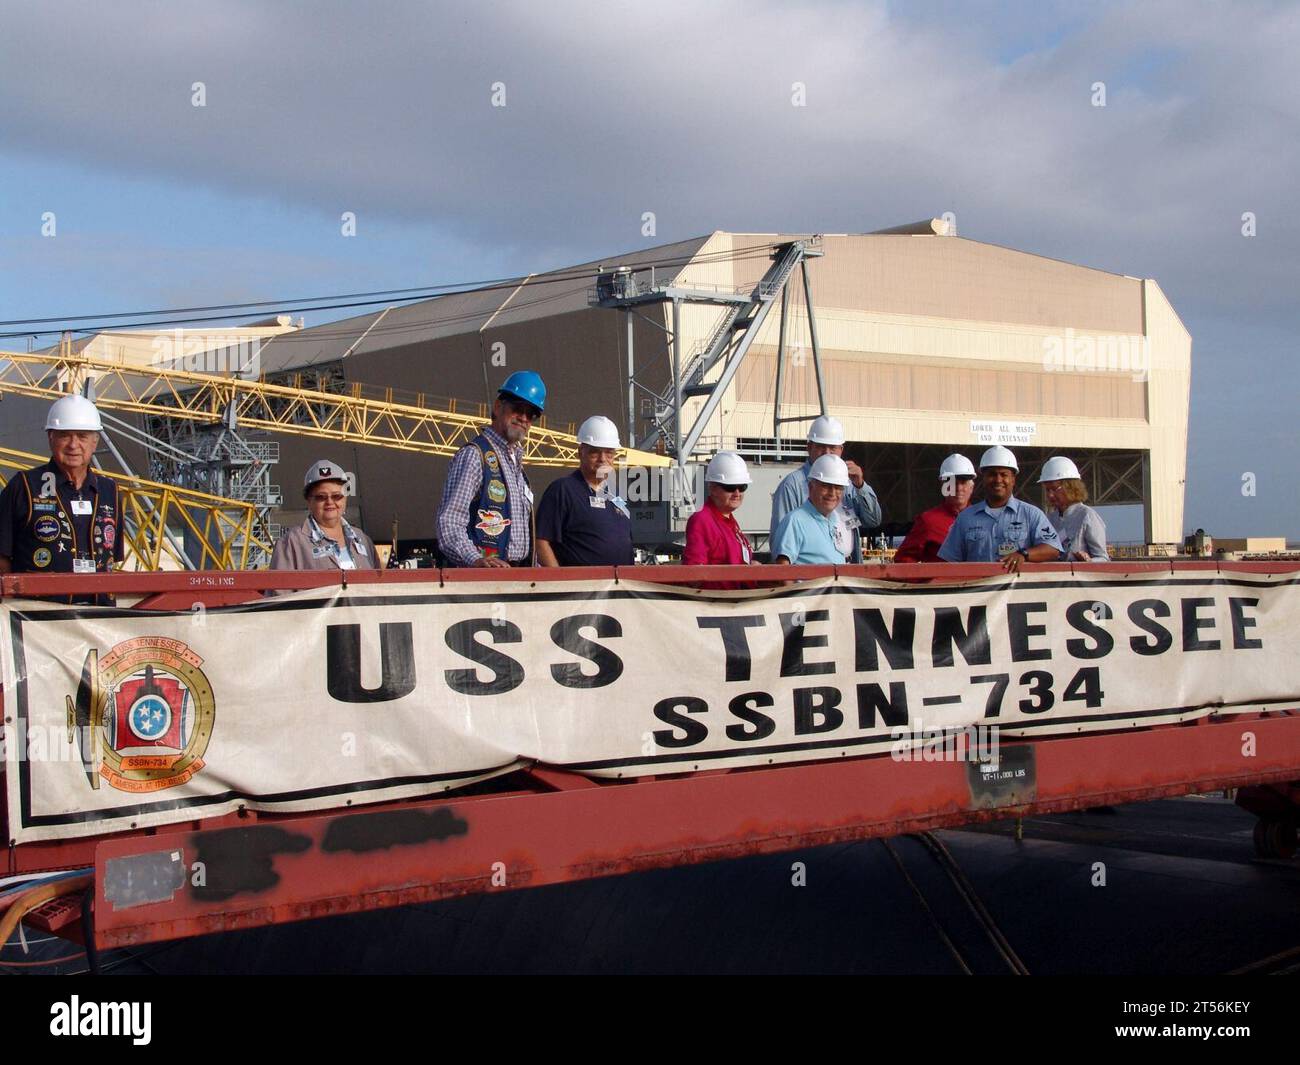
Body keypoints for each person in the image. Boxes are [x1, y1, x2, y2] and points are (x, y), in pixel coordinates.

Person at [0, 395, 123, 603]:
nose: (73, 445)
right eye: (64, 436)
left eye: (82, 436)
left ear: (95, 441)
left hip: (100, 615)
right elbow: (2, 558)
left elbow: (112, 558)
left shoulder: (109, 490)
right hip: (39, 616)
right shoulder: (24, 486)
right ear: (51, 438)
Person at [437, 370, 545, 567]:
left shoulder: (517, 468)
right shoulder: (474, 455)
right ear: (498, 406)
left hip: (516, 575)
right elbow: (450, 522)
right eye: (518, 408)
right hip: (482, 578)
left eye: (531, 414)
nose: (523, 418)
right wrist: (475, 560)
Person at [769, 415, 881, 563]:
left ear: (841, 449)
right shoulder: (792, 486)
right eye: (821, 447)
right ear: (809, 447)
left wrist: (860, 486)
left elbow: (873, 521)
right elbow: (781, 545)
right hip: (813, 572)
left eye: (833, 448)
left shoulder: (849, 483)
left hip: (847, 566)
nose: (827, 453)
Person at [938, 445, 1063, 573]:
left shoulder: (1031, 514)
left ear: (1013, 479)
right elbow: (950, 561)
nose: (998, 480)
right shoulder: (965, 518)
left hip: (1018, 585)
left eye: (1004, 475)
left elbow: (1053, 549)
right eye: (992, 474)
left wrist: (1024, 554)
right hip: (978, 586)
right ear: (984, 479)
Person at [535, 415, 634, 567]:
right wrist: (559, 578)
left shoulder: (616, 495)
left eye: (609, 452)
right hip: (580, 582)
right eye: (595, 452)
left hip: (619, 581)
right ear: (580, 452)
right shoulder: (562, 490)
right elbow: (541, 541)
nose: (602, 459)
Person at [270, 459, 379, 571]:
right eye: (321, 497)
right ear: (309, 501)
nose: (329, 502)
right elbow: (279, 582)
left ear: (345, 498)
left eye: (337, 496)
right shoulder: (291, 543)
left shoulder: (363, 540)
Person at [683, 451, 759, 571]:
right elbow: (694, 572)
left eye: (742, 487)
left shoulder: (729, 521)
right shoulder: (702, 521)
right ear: (713, 488)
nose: (737, 493)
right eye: (730, 487)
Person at [894, 453, 976, 563]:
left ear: (971, 487)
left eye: (963, 482)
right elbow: (903, 560)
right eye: (952, 483)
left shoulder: (983, 518)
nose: (958, 488)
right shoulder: (928, 521)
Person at [771, 454, 852, 565]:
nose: (832, 493)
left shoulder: (836, 520)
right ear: (810, 487)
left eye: (838, 487)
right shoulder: (795, 521)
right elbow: (782, 568)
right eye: (826, 486)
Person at [1039, 456, 1109, 561]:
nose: (1050, 495)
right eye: (1047, 490)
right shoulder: (1049, 519)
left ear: (1071, 487)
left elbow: (1103, 558)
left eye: (1054, 489)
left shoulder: (1087, 515)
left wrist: (1088, 561)